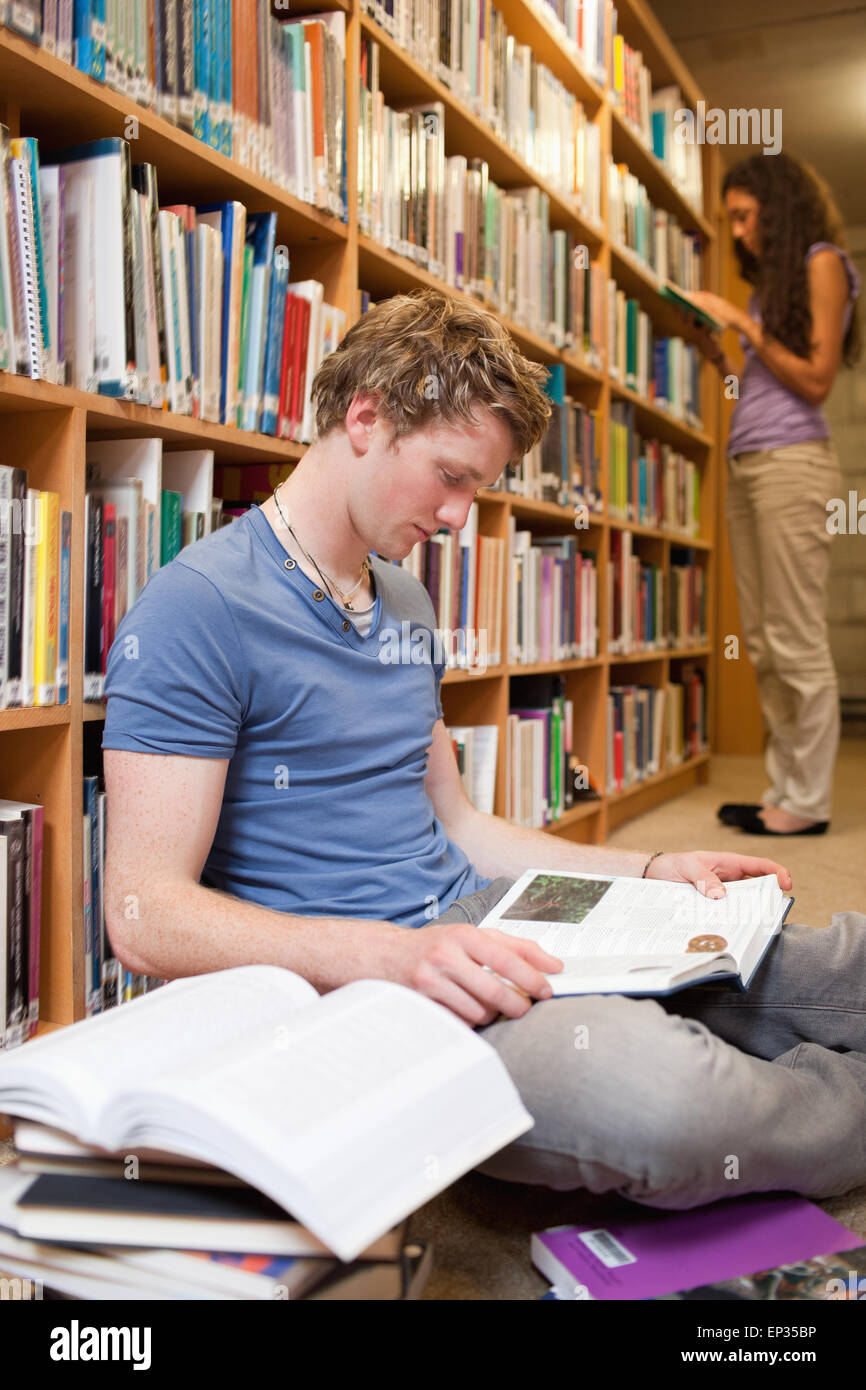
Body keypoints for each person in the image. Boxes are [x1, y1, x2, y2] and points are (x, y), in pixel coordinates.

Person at [102, 289, 866, 1210]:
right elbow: (142, 916)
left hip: (491, 911)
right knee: (665, 1100)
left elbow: (460, 822)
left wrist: (648, 869)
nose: (462, 519)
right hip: (365, 990)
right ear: (365, 417)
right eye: (452, 477)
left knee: (815, 957)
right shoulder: (197, 609)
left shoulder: (406, 602)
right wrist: (392, 956)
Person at [685, 153, 861, 838]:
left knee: (794, 638)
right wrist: (724, 356)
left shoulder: (823, 262)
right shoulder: (775, 290)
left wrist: (747, 324)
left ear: (777, 209)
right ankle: (784, 789)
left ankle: (808, 801)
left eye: (744, 217)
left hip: (793, 464)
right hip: (750, 462)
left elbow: (816, 380)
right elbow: (763, 382)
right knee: (761, 640)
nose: (737, 232)